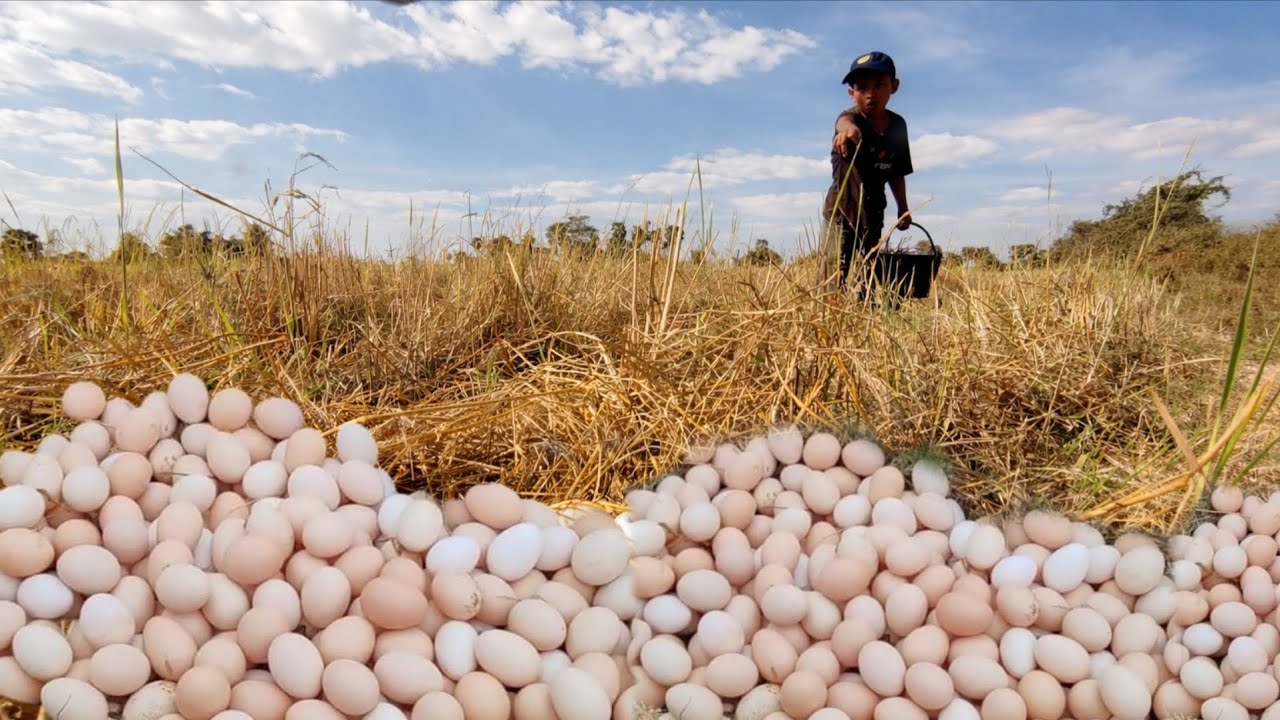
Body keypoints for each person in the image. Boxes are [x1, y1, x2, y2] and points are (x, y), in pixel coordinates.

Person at [822, 51, 914, 295]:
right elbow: (844, 123)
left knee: (869, 281)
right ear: (851, 93)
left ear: (894, 86)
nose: (871, 93)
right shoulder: (850, 118)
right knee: (833, 281)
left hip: (873, 215)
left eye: (879, 85)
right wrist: (848, 132)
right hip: (841, 215)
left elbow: (897, 171)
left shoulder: (898, 126)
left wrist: (903, 208)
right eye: (862, 87)